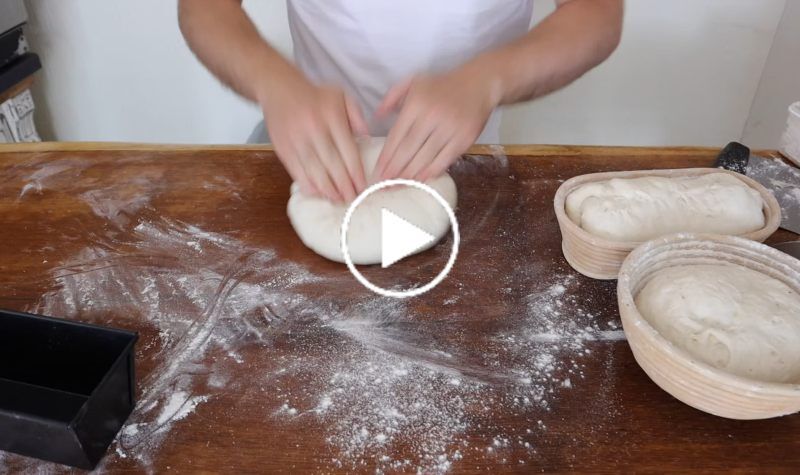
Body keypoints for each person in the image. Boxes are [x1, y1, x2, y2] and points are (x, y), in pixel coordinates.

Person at [178, 0, 623, 203]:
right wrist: (271, 82)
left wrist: (487, 80)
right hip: (314, 155)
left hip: (463, 160)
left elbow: (596, 13)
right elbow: (204, 7)